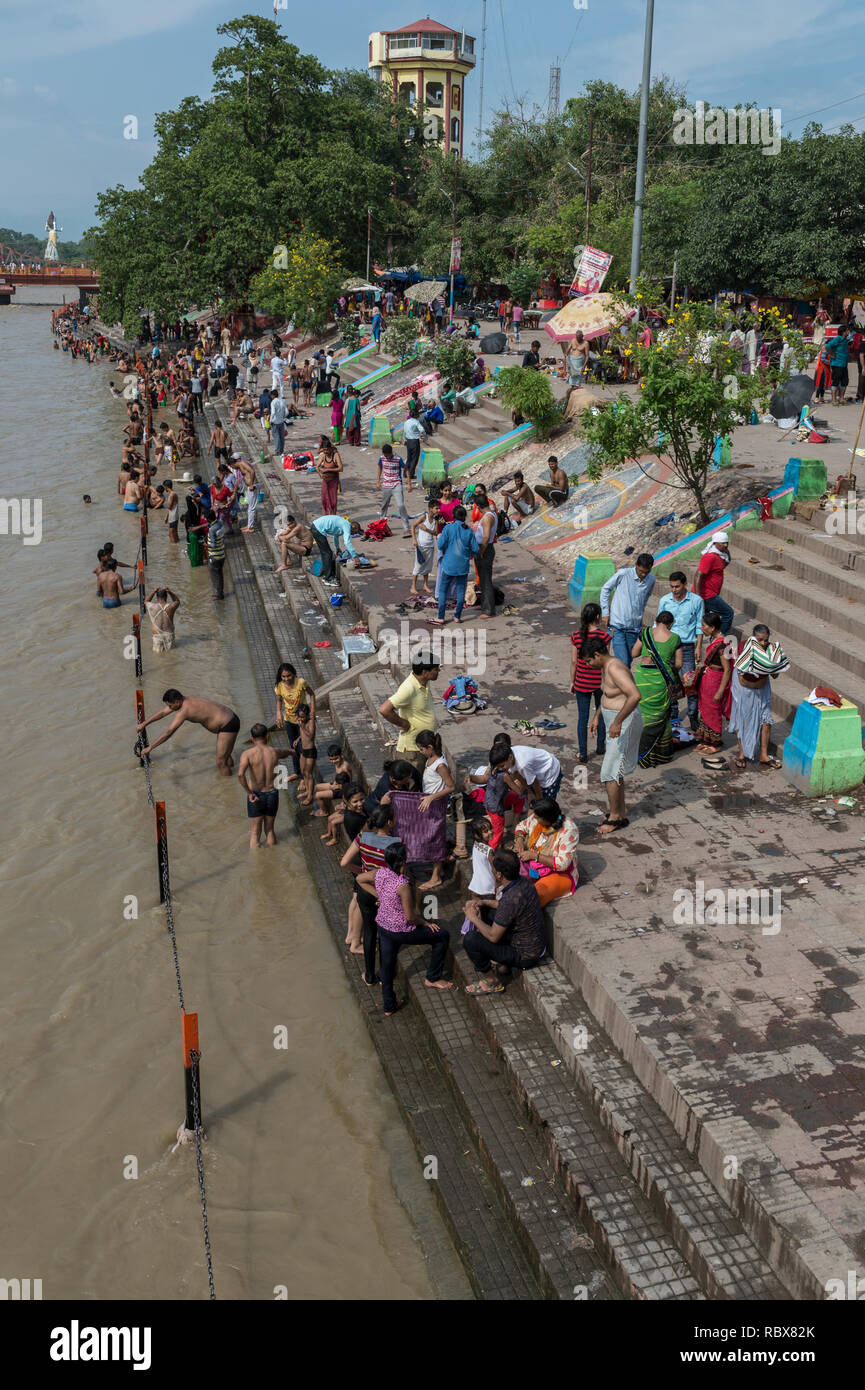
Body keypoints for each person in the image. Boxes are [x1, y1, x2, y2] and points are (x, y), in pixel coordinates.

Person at [356, 842, 452, 1016]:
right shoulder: (403, 886)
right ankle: (433, 977)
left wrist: (381, 896)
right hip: (400, 930)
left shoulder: (380, 872)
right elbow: (410, 918)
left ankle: (389, 1006)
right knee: (442, 936)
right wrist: (426, 923)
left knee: (387, 965)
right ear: (403, 862)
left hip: (383, 926)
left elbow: (359, 879)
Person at [463, 849, 548, 994]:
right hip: (534, 943)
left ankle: (492, 982)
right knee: (485, 910)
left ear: (499, 875)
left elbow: (493, 936)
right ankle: (502, 963)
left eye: (493, 868)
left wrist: (473, 918)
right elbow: (505, 907)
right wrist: (484, 903)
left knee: (470, 939)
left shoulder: (511, 898)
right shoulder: (523, 882)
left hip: (525, 955)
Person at [583, 638, 643, 834]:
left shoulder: (615, 668)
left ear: (597, 655)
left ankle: (616, 817)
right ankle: (620, 812)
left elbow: (634, 695)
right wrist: (597, 716)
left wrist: (617, 722)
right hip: (613, 722)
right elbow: (608, 696)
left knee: (609, 772)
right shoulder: (606, 666)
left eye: (589, 661)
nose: (588, 665)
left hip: (624, 724)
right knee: (615, 771)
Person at [137, 690, 241, 775]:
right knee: (225, 757)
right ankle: (231, 779)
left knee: (220, 762)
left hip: (228, 724)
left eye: (170, 706)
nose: (169, 708)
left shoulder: (184, 710)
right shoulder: (184, 698)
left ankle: (227, 791)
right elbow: (163, 713)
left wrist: (150, 748)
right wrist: (144, 724)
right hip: (229, 717)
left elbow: (169, 732)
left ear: (177, 701)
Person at [728, 624, 788, 769]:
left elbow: (774, 675)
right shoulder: (744, 647)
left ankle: (764, 755)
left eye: (765, 640)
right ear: (753, 637)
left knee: (766, 721)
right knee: (742, 720)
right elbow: (739, 670)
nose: (763, 643)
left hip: (762, 690)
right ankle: (742, 753)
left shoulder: (772, 650)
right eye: (760, 640)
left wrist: (772, 664)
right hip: (743, 690)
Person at [631, 611, 683, 767]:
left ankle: (640, 752)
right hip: (660, 680)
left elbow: (634, 653)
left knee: (643, 713)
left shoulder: (646, 633)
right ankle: (660, 754)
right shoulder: (675, 638)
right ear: (671, 624)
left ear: (656, 621)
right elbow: (679, 664)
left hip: (642, 678)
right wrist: (667, 666)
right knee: (661, 715)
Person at [658, 571, 704, 732]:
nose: (674, 590)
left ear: (684, 585)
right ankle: (673, 713)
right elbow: (659, 626)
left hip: (687, 647)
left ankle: (692, 715)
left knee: (690, 683)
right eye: (672, 587)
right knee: (671, 682)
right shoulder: (664, 601)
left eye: (677, 586)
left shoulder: (696, 601)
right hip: (668, 646)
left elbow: (699, 625)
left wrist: (699, 646)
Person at [513, 797, 579, 907]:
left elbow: (562, 864)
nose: (534, 818)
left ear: (547, 818)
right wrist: (519, 839)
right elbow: (522, 826)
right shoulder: (537, 818)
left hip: (560, 873)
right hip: (534, 866)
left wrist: (534, 856)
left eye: (537, 817)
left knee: (535, 896)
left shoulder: (569, 830)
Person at [379, 658, 439, 771]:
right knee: (412, 786)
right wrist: (404, 723)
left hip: (424, 747)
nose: (438, 672)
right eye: (435, 670)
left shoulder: (424, 681)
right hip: (412, 751)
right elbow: (384, 709)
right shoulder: (409, 688)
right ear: (425, 672)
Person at [570, 602, 611, 762]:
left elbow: (574, 661)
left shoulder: (576, 636)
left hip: (581, 681)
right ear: (598, 617)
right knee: (600, 714)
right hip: (598, 682)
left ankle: (583, 753)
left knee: (583, 717)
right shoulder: (604, 636)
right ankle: (600, 747)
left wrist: (572, 681)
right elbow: (606, 661)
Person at [415, 729, 455, 889]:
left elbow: (451, 786)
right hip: (430, 806)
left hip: (437, 807)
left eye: (421, 748)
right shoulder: (431, 759)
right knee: (431, 838)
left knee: (435, 840)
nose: (420, 751)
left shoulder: (440, 765)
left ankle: (436, 876)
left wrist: (431, 797)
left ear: (430, 747)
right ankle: (436, 868)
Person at [599, 553, 656, 667]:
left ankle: (616, 683)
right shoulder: (623, 574)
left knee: (628, 661)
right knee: (623, 663)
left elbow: (644, 600)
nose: (643, 574)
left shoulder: (651, 580)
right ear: (636, 565)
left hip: (634, 627)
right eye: (641, 571)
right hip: (617, 625)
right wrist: (605, 613)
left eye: (646, 572)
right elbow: (605, 589)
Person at [237, 724, 283, 848]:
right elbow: (286, 753)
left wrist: (249, 793)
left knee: (255, 834)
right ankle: (273, 857)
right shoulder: (274, 751)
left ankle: (257, 864)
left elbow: (240, 775)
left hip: (256, 795)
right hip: (272, 794)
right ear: (267, 735)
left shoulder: (247, 754)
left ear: (252, 738)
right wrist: (293, 752)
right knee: (269, 830)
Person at [695, 611, 732, 753]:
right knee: (705, 709)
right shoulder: (715, 641)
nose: (701, 628)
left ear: (712, 628)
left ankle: (715, 743)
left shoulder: (722, 645)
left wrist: (720, 691)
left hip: (716, 681)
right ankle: (705, 740)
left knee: (713, 711)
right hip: (708, 679)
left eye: (704, 625)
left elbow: (727, 669)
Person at [435, 504, 479, 623]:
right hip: (462, 566)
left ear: (453, 516)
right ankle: (457, 616)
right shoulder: (469, 531)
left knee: (443, 591)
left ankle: (440, 617)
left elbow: (440, 545)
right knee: (461, 592)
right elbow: (475, 549)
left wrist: (439, 538)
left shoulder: (448, 528)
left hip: (448, 565)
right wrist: (468, 552)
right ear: (465, 516)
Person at [274, 662, 311, 781]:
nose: (286, 679)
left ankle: (304, 777)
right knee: (293, 748)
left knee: (302, 747)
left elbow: (312, 694)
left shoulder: (300, 683)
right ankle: (297, 773)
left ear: (293, 674)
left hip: (302, 720)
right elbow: (279, 700)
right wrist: (279, 713)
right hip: (289, 720)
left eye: (288, 676)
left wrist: (312, 712)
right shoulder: (279, 686)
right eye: (283, 676)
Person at [695, 532, 733, 635]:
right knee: (728, 613)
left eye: (727, 543)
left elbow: (726, 562)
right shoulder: (710, 557)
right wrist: (699, 596)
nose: (725, 545)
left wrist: (727, 551)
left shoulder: (720, 556)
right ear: (715, 543)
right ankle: (720, 637)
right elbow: (698, 575)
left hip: (711, 593)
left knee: (704, 619)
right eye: (723, 543)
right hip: (707, 594)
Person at [309, 514, 365, 582]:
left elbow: (335, 536)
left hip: (316, 526)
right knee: (327, 554)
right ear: (353, 528)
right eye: (354, 532)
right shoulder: (347, 525)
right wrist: (354, 556)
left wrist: (337, 547)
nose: (353, 534)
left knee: (326, 553)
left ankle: (327, 572)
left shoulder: (343, 524)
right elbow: (347, 542)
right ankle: (328, 578)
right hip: (318, 529)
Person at [471, 486, 498, 618]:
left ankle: (489, 610)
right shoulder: (489, 515)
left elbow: (486, 536)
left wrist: (481, 551)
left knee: (486, 580)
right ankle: (484, 605)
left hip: (485, 549)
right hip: (484, 548)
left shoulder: (487, 517)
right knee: (482, 579)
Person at [377, 444, 412, 535]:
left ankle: (406, 528)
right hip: (386, 485)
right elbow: (380, 467)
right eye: (385, 455)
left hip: (397, 484)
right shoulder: (381, 458)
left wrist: (409, 484)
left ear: (391, 453)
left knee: (401, 505)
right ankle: (381, 525)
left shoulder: (398, 459)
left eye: (387, 455)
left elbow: (406, 469)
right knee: (384, 506)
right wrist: (378, 481)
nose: (386, 457)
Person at [409, 496, 441, 597]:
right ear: (430, 508)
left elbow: (435, 533)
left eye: (438, 508)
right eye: (436, 508)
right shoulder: (424, 517)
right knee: (418, 566)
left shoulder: (436, 520)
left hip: (430, 546)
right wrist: (414, 539)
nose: (438, 510)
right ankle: (413, 586)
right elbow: (413, 526)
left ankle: (425, 585)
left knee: (427, 567)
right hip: (421, 545)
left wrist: (426, 529)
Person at [293, 702, 318, 806]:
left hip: (310, 751)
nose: (300, 719)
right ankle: (307, 791)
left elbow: (311, 736)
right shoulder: (301, 722)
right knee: (304, 772)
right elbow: (303, 734)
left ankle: (310, 796)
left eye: (302, 717)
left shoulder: (310, 722)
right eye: (299, 717)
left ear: (307, 715)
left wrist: (302, 726)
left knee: (309, 773)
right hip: (303, 750)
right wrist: (297, 739)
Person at [145, 586, 180, 652]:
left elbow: (146, 601)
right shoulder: (171, 607)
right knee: (171, 655)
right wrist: (169, 592)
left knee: (158, 660)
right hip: (169, 637)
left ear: (157, 597)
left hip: (157, 637)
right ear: (166, 597)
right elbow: (177, 601)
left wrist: (153, 591)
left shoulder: (152, 607)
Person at [203, 509, 227, 600]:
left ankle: (219, 595)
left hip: (214, 556)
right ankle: (220, 593)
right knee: (220, 574)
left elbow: (213, 545)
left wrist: (205, 544)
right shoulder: (220, 523)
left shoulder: (212, 530)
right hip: (221, 554)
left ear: (209, 519)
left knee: (215, 576)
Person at [317, 437, 343, 514]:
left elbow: (341, 468)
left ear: (330, 448)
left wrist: (328, 470)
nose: (325, 452)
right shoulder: (323, 455)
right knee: (324, 500)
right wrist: (320, 474)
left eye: (326, 450)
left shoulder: (335, 455)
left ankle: (333, 517)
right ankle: (324, 518)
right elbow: (317, 466)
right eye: (324, 450)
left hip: (333, 481)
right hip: (325, 481)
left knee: (333, 501)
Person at [403, 410, 427, 481]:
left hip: (408, 441)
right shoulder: (416, 422)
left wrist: (405, 439)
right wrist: (424, 435)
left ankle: (405, 473)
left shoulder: (406, 422)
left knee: (409, 458)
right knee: (414, 459)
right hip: (414, 441)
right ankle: (411, 474)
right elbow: (422, 430)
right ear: (416, 415)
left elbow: (404, 432)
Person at [828, 326, 850, 404]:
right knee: (835, 381)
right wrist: (832, 354)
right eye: (847, 331)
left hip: (844, 364)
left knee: (845, 381)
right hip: (837, 364)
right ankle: (834, 400)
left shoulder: (845, 340)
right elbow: (827, 346)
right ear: (843, 332)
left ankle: (841, 398)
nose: (848, 332)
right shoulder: (837, 339)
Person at [269, 391, 288, 456]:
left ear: (273, 395)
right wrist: (283, 417)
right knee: (281, 436)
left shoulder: (273, 402)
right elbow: (287, 412)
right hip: (281, 421)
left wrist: (270, 420)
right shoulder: (283, 401)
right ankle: (281, 450)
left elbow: (273, 412)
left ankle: (277, 451)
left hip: (275, 422)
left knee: (276, 436)